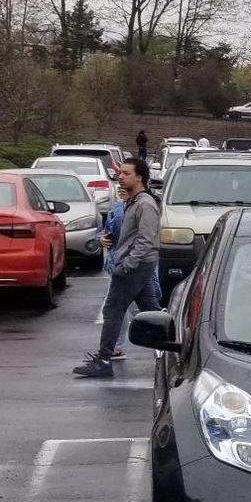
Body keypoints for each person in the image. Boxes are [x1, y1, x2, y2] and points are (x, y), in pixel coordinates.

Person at [73, 156, 160, 379]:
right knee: (151, 312)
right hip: (134, 265)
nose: (120, 177)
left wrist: (128, 264)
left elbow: (146, 240)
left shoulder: (145, 204)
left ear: (140, 177)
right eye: (120, 173)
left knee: (112, 311)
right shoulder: (131, 202)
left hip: (134, 267)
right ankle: (180, 352)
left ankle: (103, 361)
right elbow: (130, 235)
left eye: (126, 174)